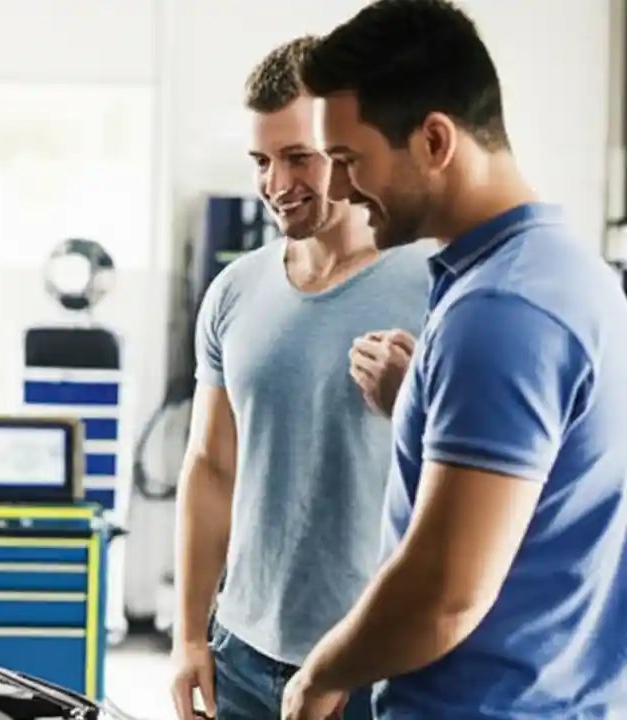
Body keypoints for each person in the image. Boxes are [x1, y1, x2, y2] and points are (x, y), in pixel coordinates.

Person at [280, 1, 627, 718]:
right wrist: (418, 402)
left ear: (435, 140)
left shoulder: (501, 311)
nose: (338, 190)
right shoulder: (570, 274)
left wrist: (321, 672)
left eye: (349, 160)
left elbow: (445, 595)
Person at [169, 36, 433, 720]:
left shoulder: (438, 289)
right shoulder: (234, 291)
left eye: (298, 158)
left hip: (377, 670)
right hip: (242, 656)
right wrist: (189, 633)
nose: (276, 184)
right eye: (262, 160)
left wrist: (417, 402)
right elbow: (209, 467)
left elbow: (490, 489)